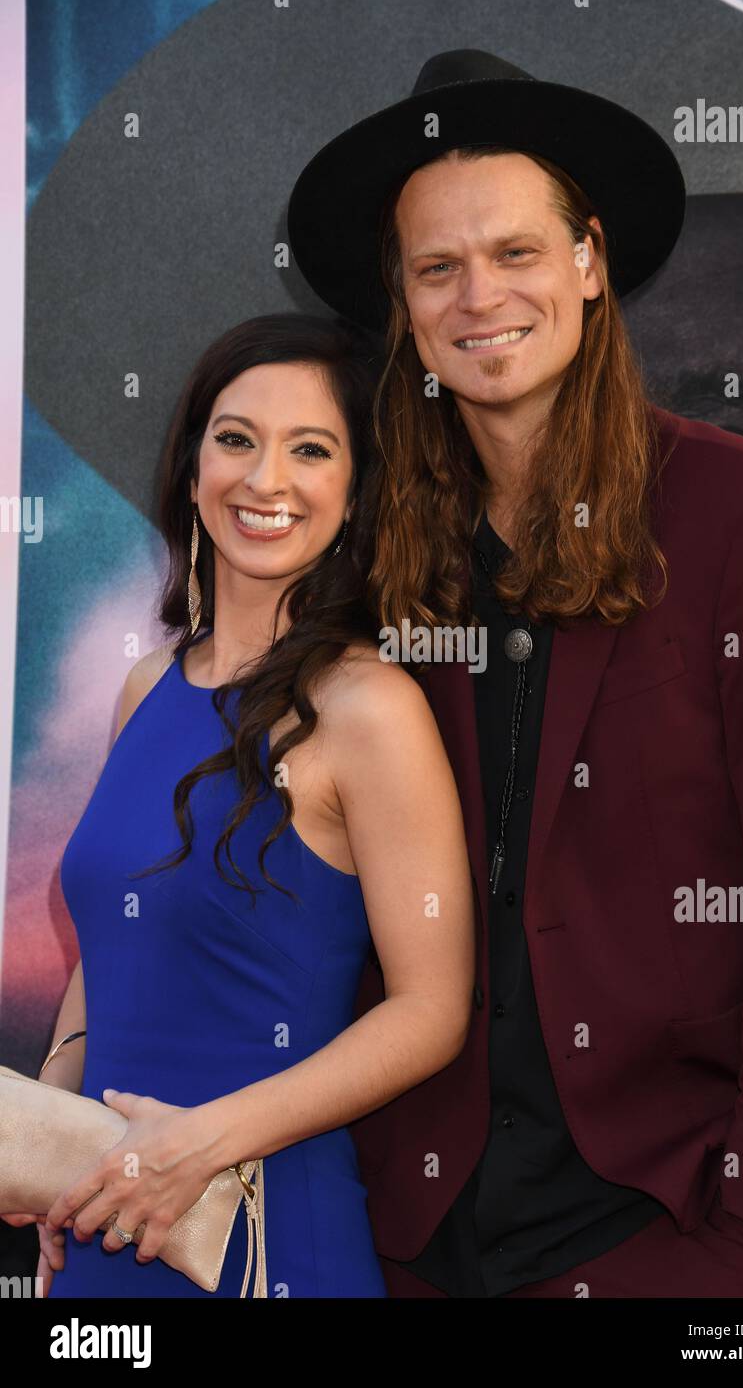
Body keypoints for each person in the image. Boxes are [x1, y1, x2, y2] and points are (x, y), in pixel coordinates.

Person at [287, 48, 743, 1298]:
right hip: (407, 1236)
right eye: (436, 267)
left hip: (665, 1223)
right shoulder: (370, 550)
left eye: (514, 252)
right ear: (402, 302)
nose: (477, 295)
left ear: (588, 264)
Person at [1, 312, 474, 1297]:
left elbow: (430, 1010)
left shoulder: (368, 708)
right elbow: (117, 940)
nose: (264, 480)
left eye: (311, 450)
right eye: (235, 438)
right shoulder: (148, 688)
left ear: (353, 495)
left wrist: (198, 1146)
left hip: (258, 1234)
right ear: (190, 466)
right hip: (103, 1217)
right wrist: (50, 1137)